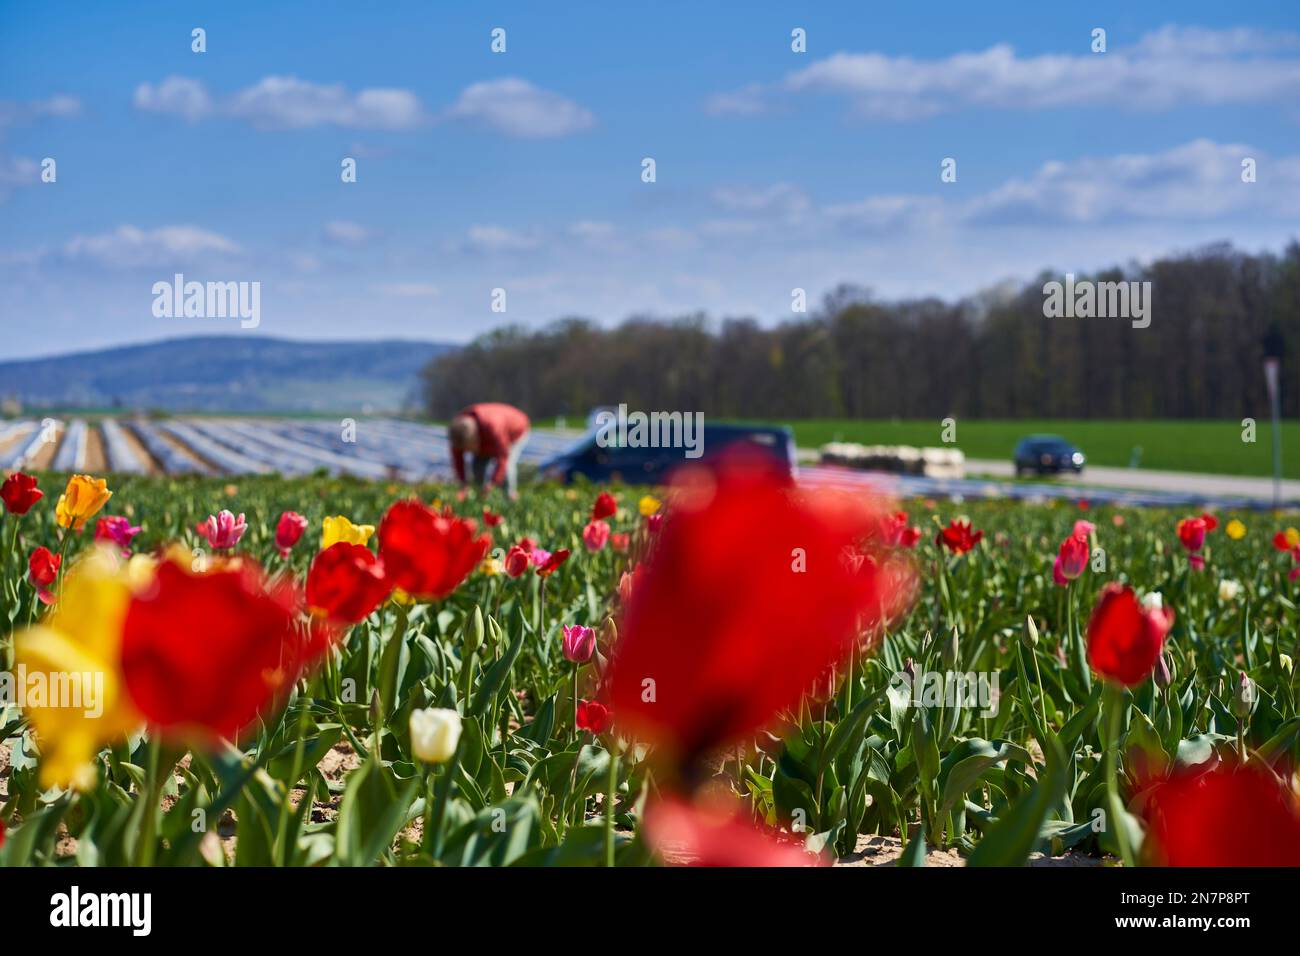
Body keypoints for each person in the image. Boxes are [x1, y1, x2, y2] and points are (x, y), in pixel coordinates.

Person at [448, 403, 531, 498]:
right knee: (477, 466)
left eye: (469, 448)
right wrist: (463, 484)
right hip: (487, 438)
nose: (469, 451)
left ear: (475, 437)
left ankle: (510, 496)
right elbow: (458, 460)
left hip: (515, 429)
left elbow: (503, 458)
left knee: (507, 469)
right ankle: (481, 497)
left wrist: (493, 483)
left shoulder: (493, 427)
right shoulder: (457, 433)